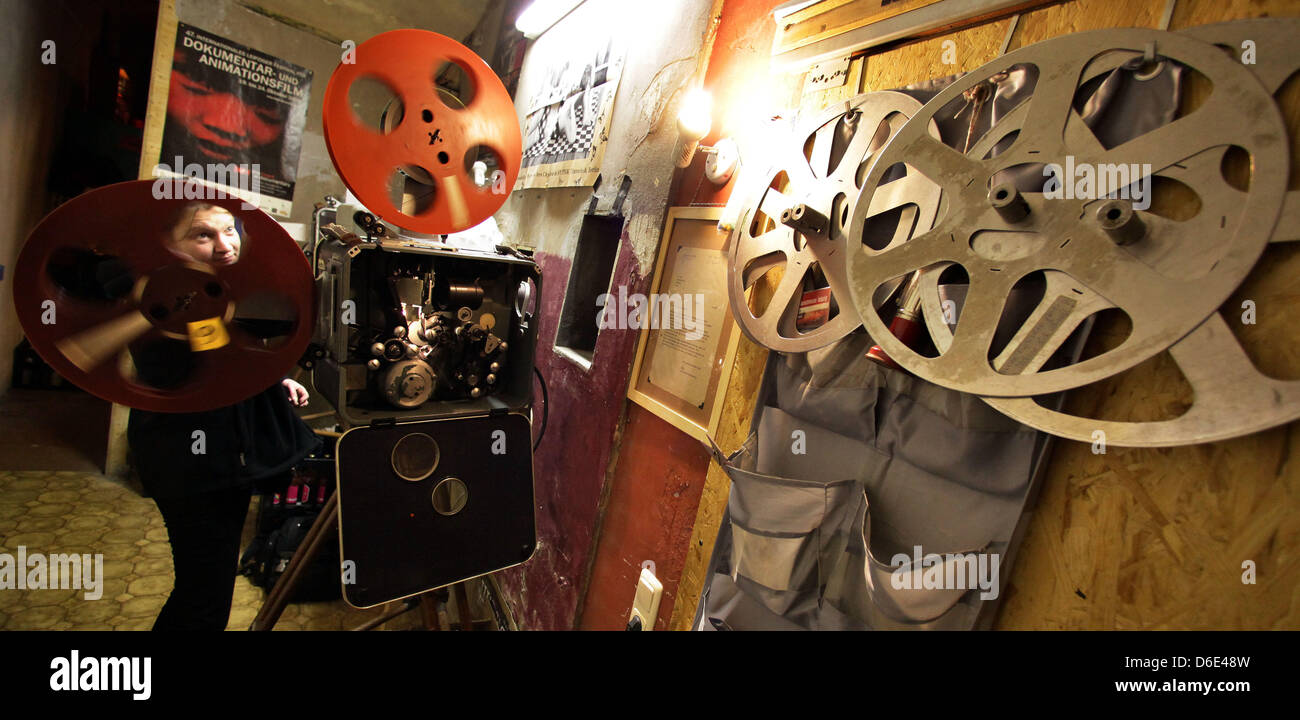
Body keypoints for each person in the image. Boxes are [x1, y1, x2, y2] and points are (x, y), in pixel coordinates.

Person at [127, 202, 318, 630]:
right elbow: (209, 357)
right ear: (170, 245)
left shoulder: (214, 290)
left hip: (217, 462)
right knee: (202, 595)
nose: (223, 245)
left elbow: (229, 355)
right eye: (202, 235)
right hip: (188, 466)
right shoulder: (168, 298)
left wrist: (275, 380)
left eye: (229, 230)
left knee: (207, 587)